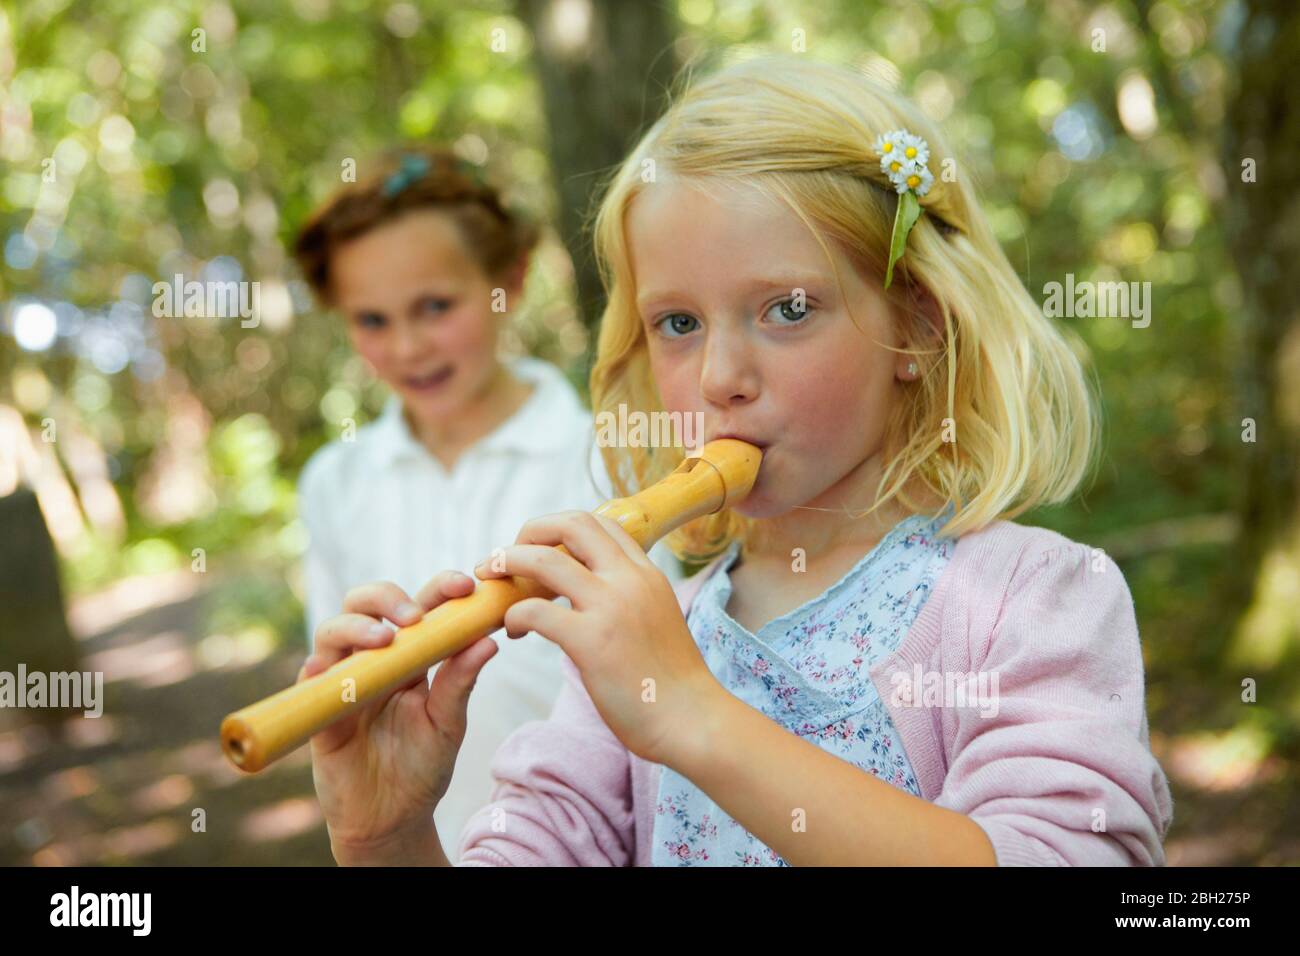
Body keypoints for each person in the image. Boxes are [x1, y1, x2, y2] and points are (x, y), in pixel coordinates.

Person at [301, 58, 1174, 866]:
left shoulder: (1034, 600)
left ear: (917, 322)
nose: (720, 379)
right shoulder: (639, 636)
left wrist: (692, 714)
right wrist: (389, 837)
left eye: (786, 309)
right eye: (677, 325)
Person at [291, 147, 681, 861]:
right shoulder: (334, 482)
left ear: (510, 279)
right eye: (371, 320)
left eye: (435, 307)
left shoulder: (611, 456)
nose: (407, 346)